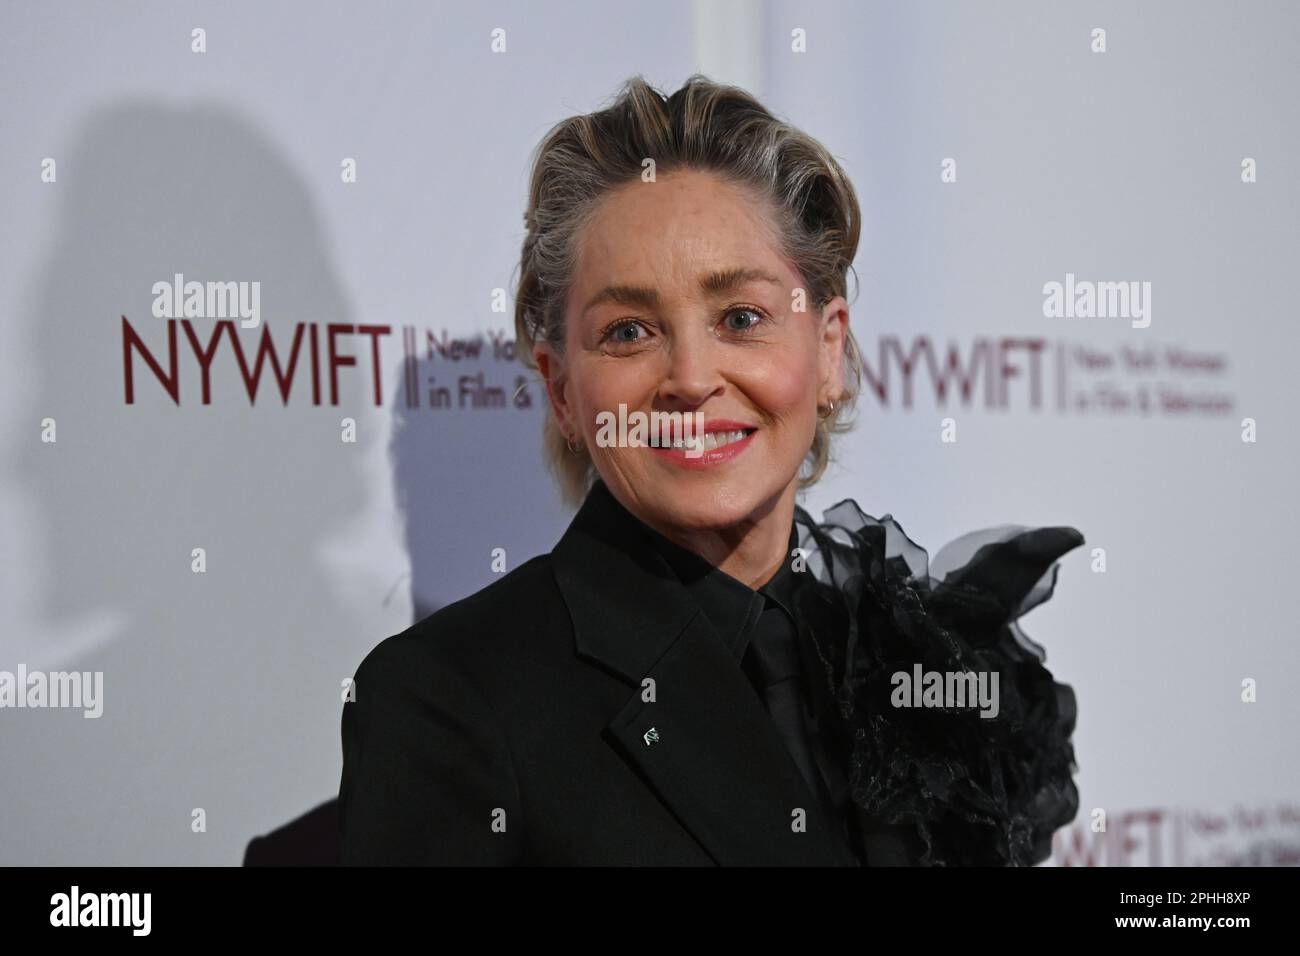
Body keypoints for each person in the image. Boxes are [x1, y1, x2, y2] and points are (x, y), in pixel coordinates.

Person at [338, 73, 1083, 866]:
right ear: (561, 390)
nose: (692, 378)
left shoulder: (922, 654)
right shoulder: (452, 702)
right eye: (627, 331)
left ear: (828, 349)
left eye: (741, 318)